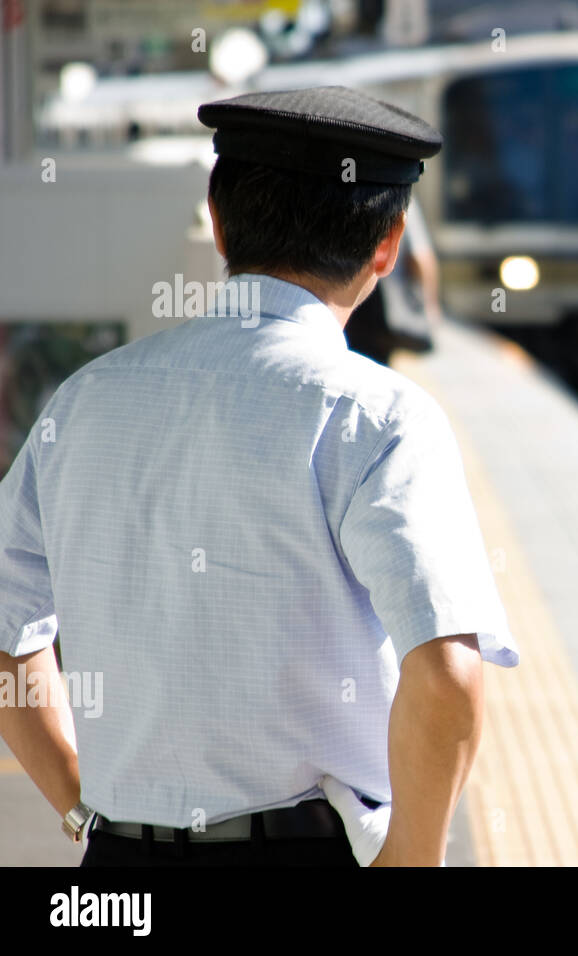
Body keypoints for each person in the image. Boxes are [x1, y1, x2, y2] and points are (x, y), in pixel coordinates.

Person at [0, 86, 518, 867]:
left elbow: (7, 639)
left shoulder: (79, 403)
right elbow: (446, 673)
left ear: (217, 218)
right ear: (388, 244)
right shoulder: (380, 417)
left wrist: (80, 806)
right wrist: (410, 858)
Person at [344, 194, 442, 365]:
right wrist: (429, 306)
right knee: (376, 365)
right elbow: (420, 258)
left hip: (347, 307)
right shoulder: (399, 195)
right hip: (382, 312)